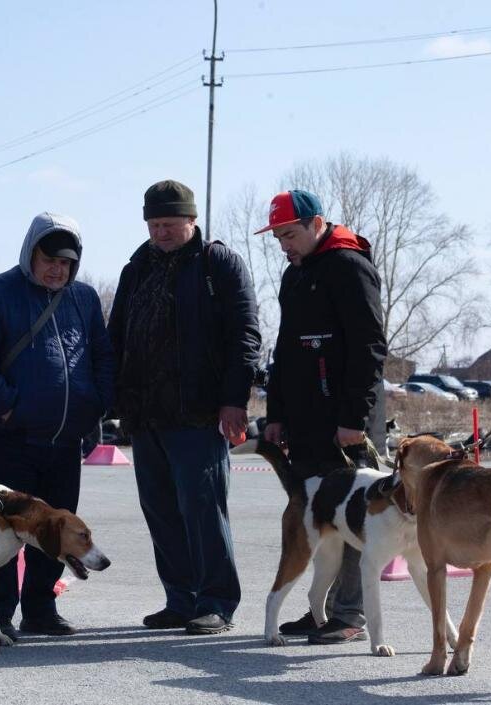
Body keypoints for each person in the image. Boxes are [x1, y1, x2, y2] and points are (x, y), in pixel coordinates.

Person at [108, 180, 261, 635]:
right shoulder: (135, 268)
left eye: (170, 224)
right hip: (146, 415)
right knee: (160, 511)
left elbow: (245, 336)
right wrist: (116, 400)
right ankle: (180, 599)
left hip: (198, 414)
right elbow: (116, 337)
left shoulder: (219, 264)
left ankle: (216, 601)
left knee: (202, 510)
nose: (161, 233)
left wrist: (234, 400)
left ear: (191, 221)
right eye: (154, 225)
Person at [0, 212, 114, 639]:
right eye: (49, 259)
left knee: (55, 532)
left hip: (65, 441)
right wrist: (6, 406)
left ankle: (41, 608)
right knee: (5, 535)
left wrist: (96, 406)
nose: (56, 269)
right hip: (12, 439)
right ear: (31, 253)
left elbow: (102, 357)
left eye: (65, 262)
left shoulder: (84, 299)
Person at [258, 189, 387, 645]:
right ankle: (318, 612)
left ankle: (348, 614)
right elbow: (286, 352)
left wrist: (354, 418)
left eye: (289, 234)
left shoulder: (350, 267)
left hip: (347, 424)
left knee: (356, 519)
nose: (284, 245)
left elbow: (370, 347)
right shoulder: (295, 275)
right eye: (277, 238)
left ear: (316, 224)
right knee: (313, 523)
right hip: (307, 422)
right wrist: (276, 414)